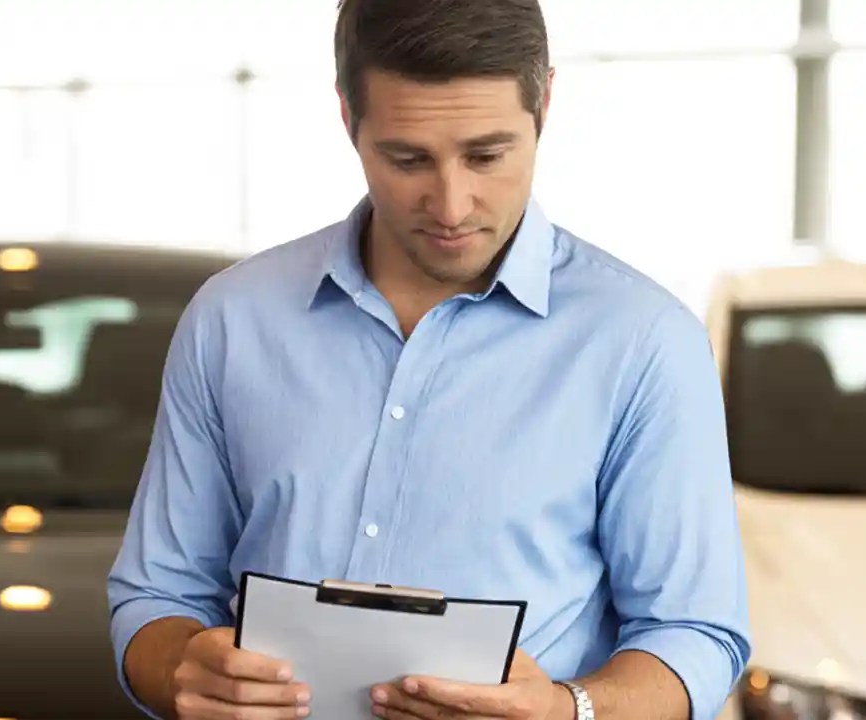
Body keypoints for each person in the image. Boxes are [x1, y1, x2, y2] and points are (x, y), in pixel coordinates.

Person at [107, 1, 752, 719]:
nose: (450, 204)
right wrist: (180, 673)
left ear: (546, 106)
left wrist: (569, 711)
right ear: (347, 115)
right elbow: (157, 597)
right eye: (407, 158)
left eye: (487, 155)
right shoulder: (232, 320)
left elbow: (696, 634)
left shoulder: (643, 340)